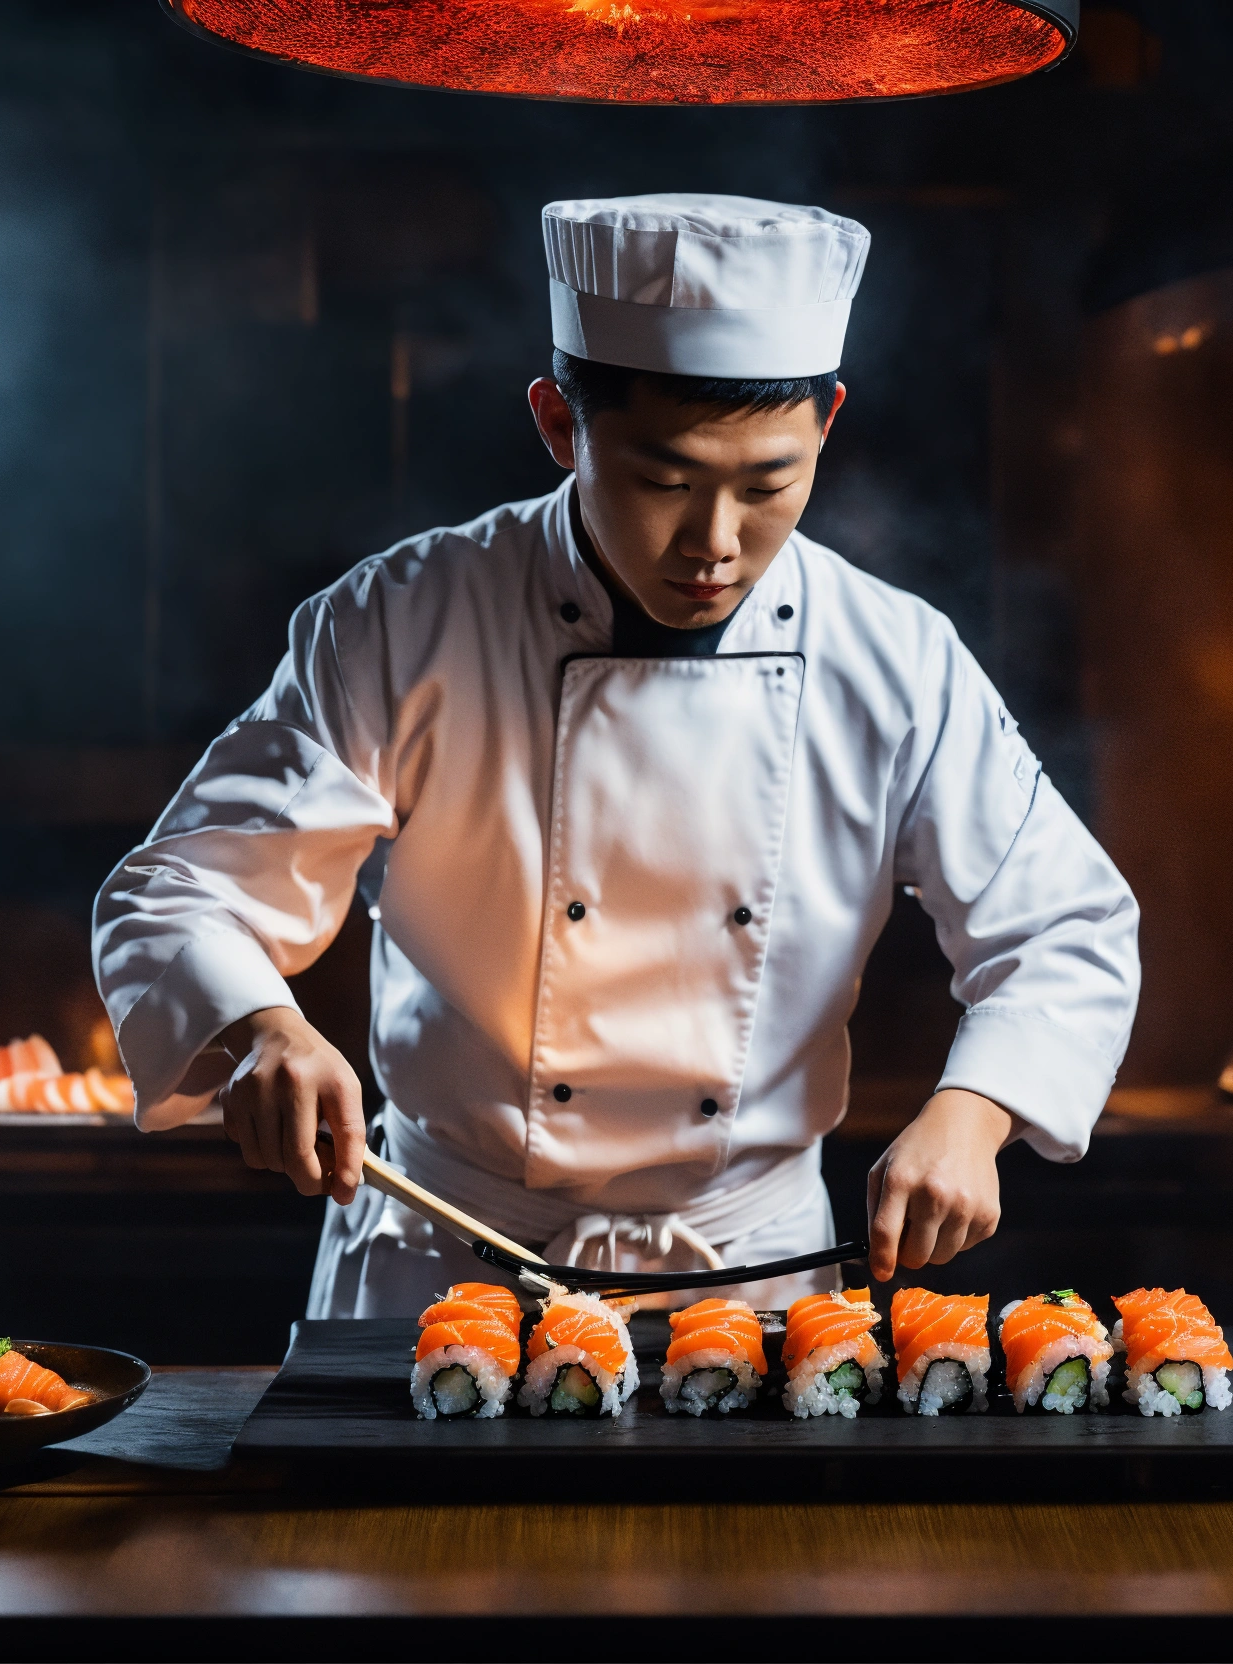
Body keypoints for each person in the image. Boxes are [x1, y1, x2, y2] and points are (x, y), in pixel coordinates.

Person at [93, 193, 1139, 1316]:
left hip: (751, 1281)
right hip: (450, 1263)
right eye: (663, 483)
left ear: (828, 423)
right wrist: (263, 1026)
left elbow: (1063, 925)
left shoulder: (896, 658)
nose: (714, 544)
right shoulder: (400, 622)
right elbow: (181, 890)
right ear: (559, 424)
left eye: (768, 485)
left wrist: (973, 1111)